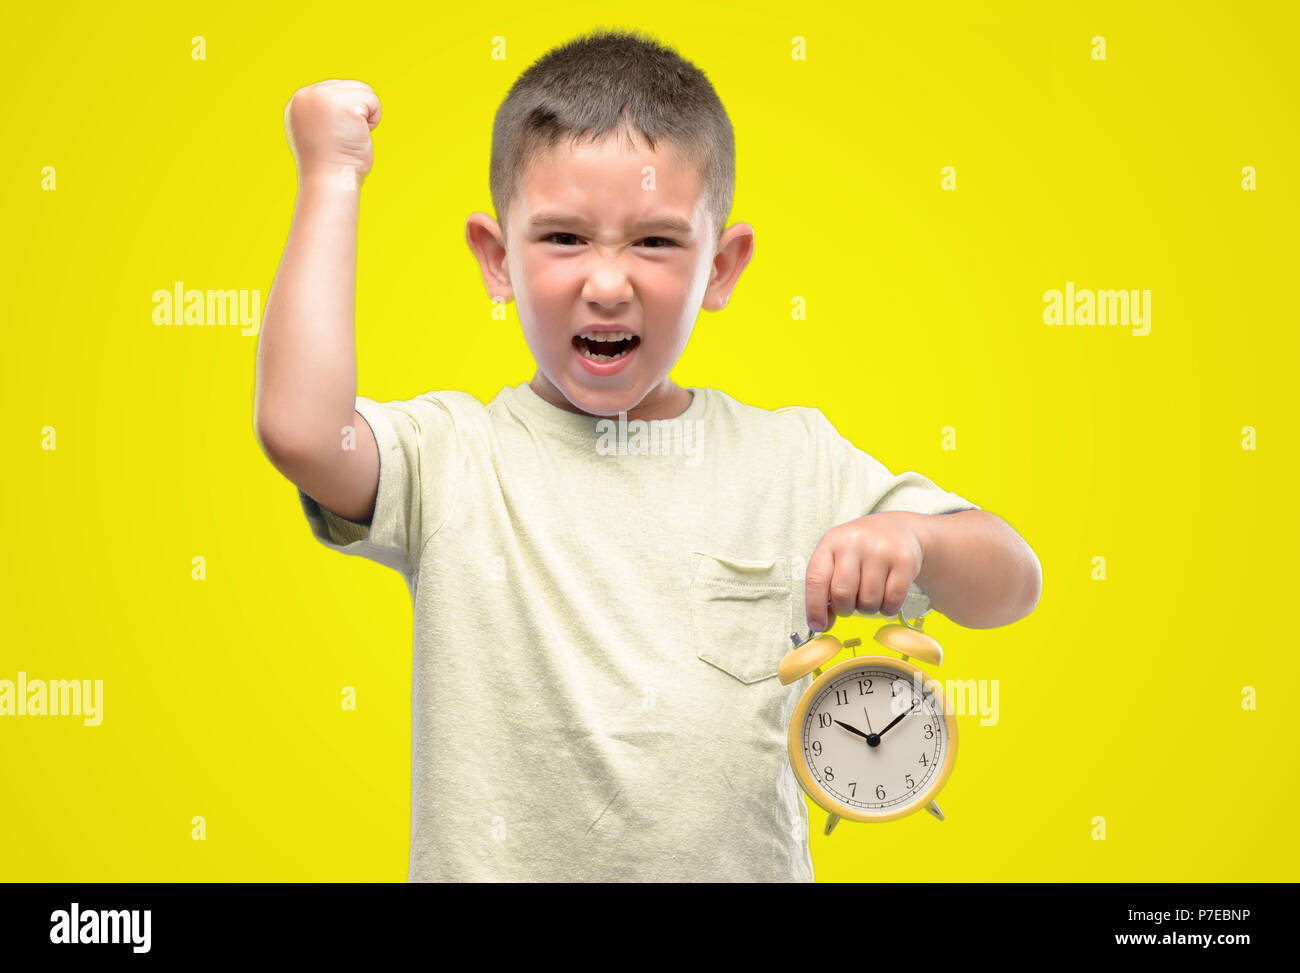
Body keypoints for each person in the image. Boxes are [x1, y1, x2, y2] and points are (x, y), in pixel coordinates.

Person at [253, 28, 1041, 882]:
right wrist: (331, 177)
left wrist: (922, 543)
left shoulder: (793, 458)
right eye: (562, 239)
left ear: (721, 268)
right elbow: (301, 429)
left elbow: (1011, 580)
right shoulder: (453, 456)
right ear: (496, 259)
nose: (607, 281)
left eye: (655, 243)